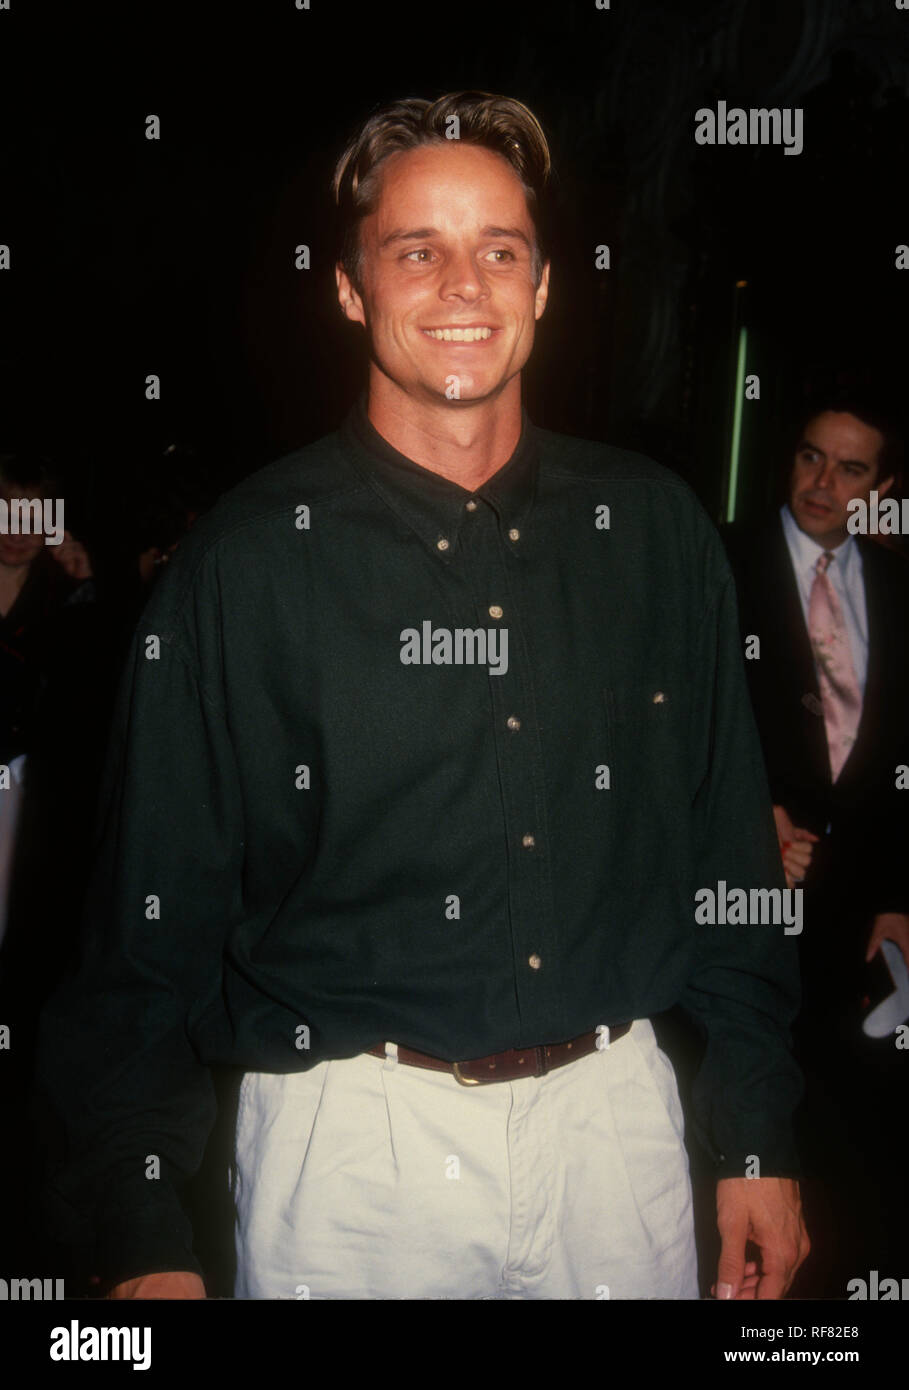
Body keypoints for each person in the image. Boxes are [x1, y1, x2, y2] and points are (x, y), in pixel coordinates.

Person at [36, 91, 808, 1302]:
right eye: (418, 251)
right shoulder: (243, 566)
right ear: (352, 290)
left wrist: (758, 1130)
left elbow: (728, 860)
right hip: (353, 1163)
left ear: (544, 285)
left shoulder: (655, 532)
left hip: (619, 1142)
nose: (465, 286)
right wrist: (140, 1234)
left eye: (500, 250)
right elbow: (147, 931)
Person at [723, 400, 909, 1295]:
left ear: (885, 489)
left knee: (841, 1171)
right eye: (809, 457)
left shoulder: (898, 588)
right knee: (723, 1152)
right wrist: (739, 813)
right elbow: (657, 725)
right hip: (723, 925)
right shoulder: (718, 562)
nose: (821, 484)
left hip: (849, 939)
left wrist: (899, 898)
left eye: (850, 470)